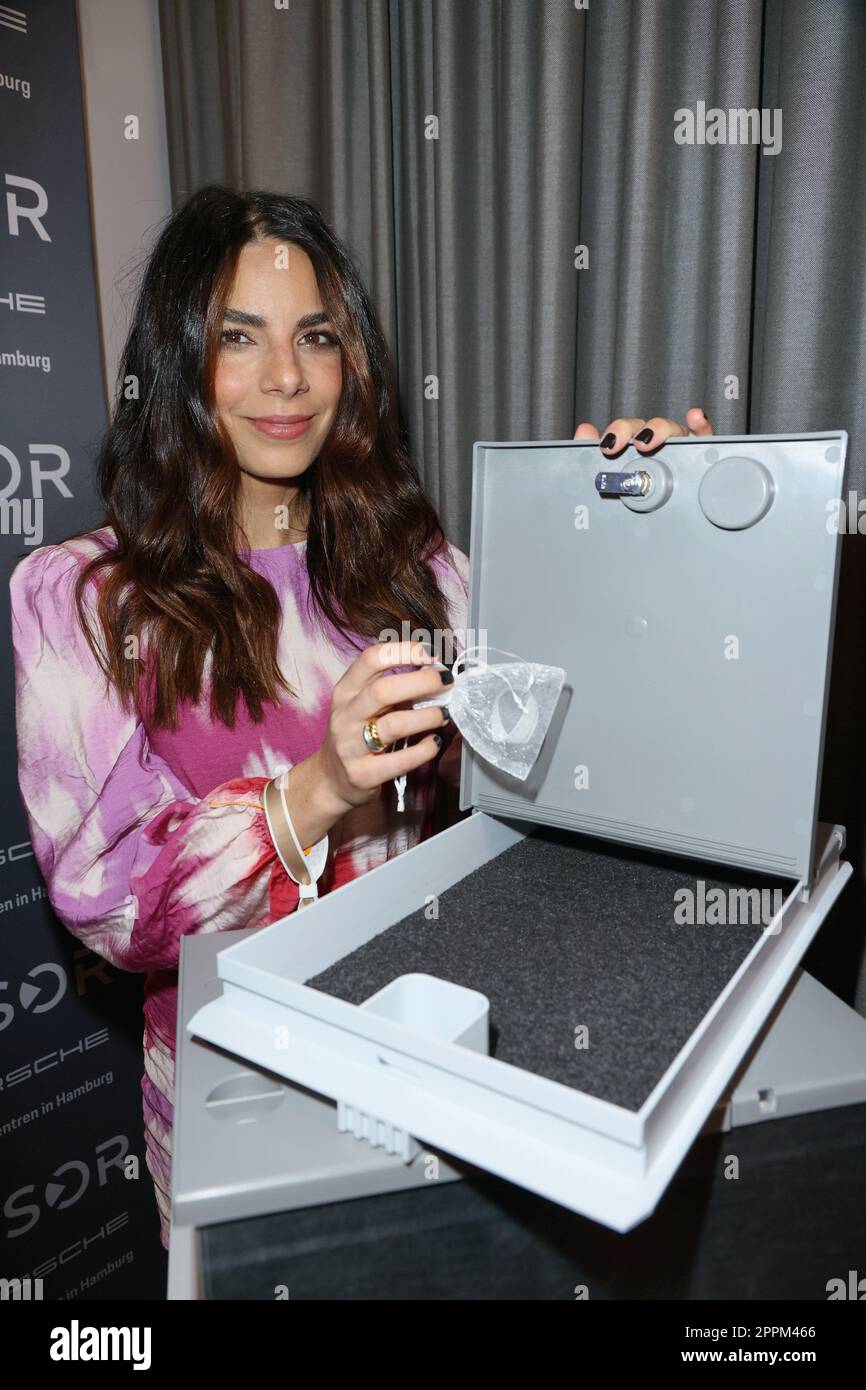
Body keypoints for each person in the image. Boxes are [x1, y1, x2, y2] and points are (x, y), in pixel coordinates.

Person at [9, 183, 713, 1250]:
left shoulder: (422, 571)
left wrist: (657, 533)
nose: (285, 378)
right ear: (177, 357)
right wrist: (321, 787)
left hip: (444, 1066)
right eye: (238, 337)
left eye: (317, 336)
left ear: (354, 362)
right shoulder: (84, 597)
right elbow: (107, 894)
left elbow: (580, 761)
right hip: (232, 1099)